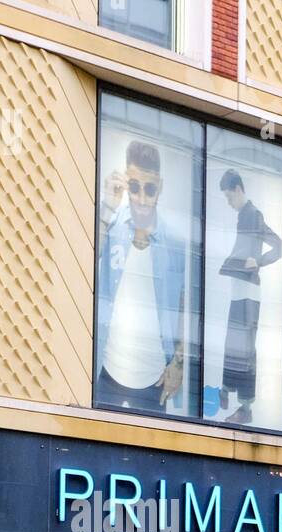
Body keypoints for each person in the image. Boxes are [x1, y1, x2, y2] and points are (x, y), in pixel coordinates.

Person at [96, 138, 187, 413]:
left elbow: (183, 306)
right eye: (134, 188)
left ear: (160, 188)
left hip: (155, 380)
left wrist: (179, 363)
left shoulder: (174, 242)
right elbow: (84, 262)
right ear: (126, 184)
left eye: (150, 189)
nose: (142, 199)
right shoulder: (110, 225)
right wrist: (108, 206)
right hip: (106, 372)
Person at [216, 170, 282, 427]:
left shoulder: (253, 214)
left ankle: (245, 406)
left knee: (244, 346)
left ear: (238, 189)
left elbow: (278, 246)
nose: (228, 202)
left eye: (229, 196)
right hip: (240, 289)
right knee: (235, 342)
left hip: (248, 291)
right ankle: (229, 390)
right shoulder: (245, 214)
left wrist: (259, 261)